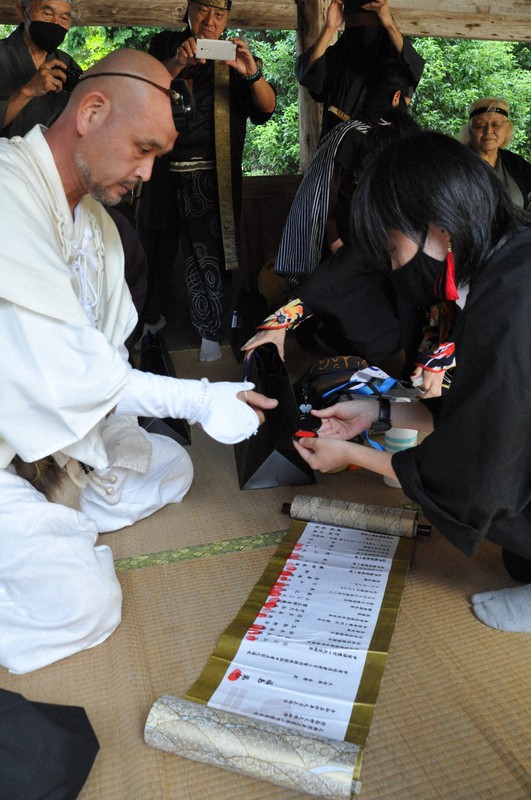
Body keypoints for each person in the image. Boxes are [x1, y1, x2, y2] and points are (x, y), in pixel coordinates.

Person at [0, 48, 277, 675]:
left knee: (172, 466)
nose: (151, 174)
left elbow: (104, 356)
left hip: (61, 437)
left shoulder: (97, 224)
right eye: (144, 149)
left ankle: (53, 523)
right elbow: (74, 372)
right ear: (92, 112)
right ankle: (48, 535)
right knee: (85, 606)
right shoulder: (6, 192)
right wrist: (201, 399)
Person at [293, 131, 531, 634]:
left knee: (504, 520)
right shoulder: (505, 269)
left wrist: (354, 455)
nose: (394, 270)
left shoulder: (511, 303)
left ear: (439, 229)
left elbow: (478, 471)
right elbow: (477, 410)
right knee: (517, 556)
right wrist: (377, 411)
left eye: (392, 250)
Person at [136, 0, 276, 362]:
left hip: (212, 176)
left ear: (227, 17)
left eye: (219, 13)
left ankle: (212, 333)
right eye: (203, 9)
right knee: (154, 247)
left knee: (210, 255)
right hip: (163, 170)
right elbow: (146, 87)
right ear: (188, 8)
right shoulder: (165, 45)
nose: (209, 20)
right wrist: (179, 63)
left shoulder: (237, 55)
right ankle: (149, 324)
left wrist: (251, 73)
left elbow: (267, 107)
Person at [297, 0, 424, 140]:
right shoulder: (338, 56)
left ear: (379, 23)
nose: (361, 27)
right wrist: (329, 28)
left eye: (369, 21)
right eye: (353, 22)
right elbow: (306, 76)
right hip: (337, 151)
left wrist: (390, 24)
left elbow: (414, 70)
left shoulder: (392, 58)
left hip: (379, 151)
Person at [0, 0, 80, 138]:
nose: (55, 23)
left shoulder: (65, 63)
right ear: (22, 11)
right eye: (47, 13)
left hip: (48, 158)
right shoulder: (3, 55)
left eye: (64, 18)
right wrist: (27, 91)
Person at [459, 96, 531, 210]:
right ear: (470, 131)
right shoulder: (456, 165)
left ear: (506, 129)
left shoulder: (517, 164)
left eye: (496, 124)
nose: (488, 131)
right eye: (480, 126)